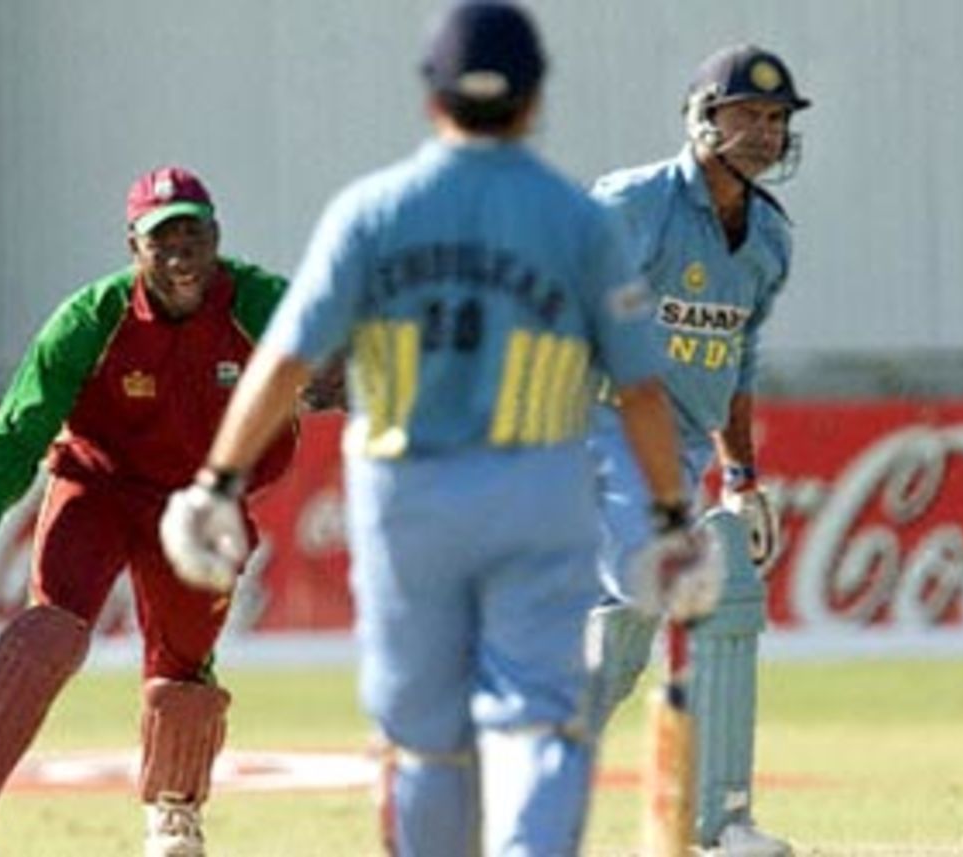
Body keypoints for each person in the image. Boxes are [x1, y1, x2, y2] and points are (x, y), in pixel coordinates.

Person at [157, 4, 721, 855]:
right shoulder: (579, 220)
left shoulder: (372, 211)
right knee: (543, 724)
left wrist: (217, 483)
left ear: (432, 98)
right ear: (534, 100)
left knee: (423, 739)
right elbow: (642, 389)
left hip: (405, 495)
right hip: (539, 489)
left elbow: (282, 363)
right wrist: (673, 518)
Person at [0, 165, 299, 857]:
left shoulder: (260, 302)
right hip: (97, 489)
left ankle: (173, 813)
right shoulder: (91, 319)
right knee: (48, 633)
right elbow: (15, 435)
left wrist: (344, 369)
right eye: (161, 239)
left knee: (182, 664)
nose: (180, 254)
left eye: (193, 234)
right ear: (133, 247)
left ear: (216, 236)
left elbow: (347, 345)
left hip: (198, 504)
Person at [585, 44, 811, 856]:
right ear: (701, 119)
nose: (763, 132)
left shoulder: (770, 242)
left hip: (676, 448)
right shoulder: (636, 204)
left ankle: (523, 771)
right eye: (745, 114)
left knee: (621, 629)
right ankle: (723, 824)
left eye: (776, 119)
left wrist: (742, 473)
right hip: (594, 427)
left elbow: (734, 361)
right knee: (709, 575)